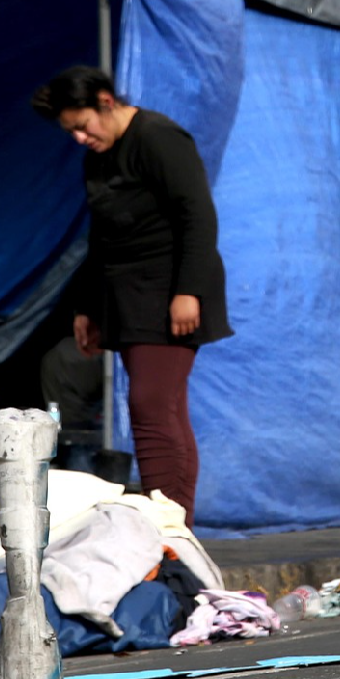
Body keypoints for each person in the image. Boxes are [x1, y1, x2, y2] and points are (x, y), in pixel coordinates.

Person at [31, 67, 231, 526]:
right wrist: (87, 308)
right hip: (127, 296)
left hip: (169, 291)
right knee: (163, 409)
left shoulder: (158, 137)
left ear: (106, 101)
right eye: (71, 132)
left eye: (83, 125)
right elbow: (100, 237)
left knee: (150, 406)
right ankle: (175, 526)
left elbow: (197, 216)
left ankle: (167, 528)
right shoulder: (98, 157)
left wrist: (188, 291)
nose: (80, 138)